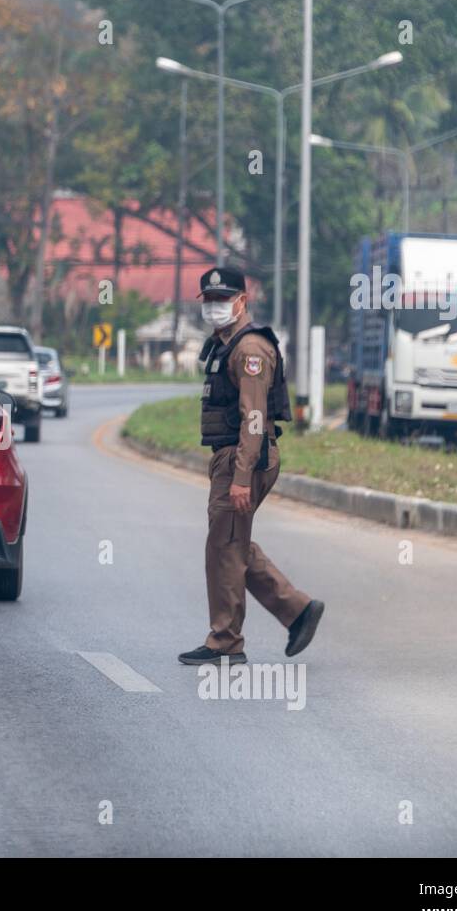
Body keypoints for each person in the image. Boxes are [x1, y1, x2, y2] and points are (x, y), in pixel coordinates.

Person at [178, 266, 324, 666]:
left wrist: (241, 478)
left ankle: (225, 642)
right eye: (208, 300)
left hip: (245, 457)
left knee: (225, 545)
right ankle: (297, 610)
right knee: (231, 541)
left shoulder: (250, 349)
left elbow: (254, 418)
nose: (214, 307)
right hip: (232, 456)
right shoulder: (224, 343)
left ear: (242, 301)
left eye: (223, 299)